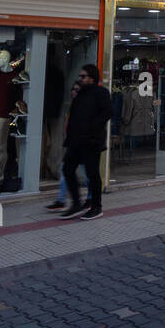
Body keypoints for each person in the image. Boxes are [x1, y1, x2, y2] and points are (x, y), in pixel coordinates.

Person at [59, 64, 113, 220]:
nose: (80, 79)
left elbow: (108, 112)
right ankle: (76, 203)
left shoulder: (101, 93)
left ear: (92, 78)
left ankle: (96, 206)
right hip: (76, 141)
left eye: (83, 76)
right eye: (80, 76)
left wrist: (92, 127)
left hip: (91, 141)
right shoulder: (80, 93)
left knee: (92, 174)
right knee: (68, 169)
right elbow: (74, 115)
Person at [46, 80, 87, 211]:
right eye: (73, 89)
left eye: (77, 89)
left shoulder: (84, 107)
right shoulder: (73, 106)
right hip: (73, 145)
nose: (73, 92)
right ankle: (62, 199)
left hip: (82, 146)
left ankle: (89, 199)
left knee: (88, 175)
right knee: (66, 171)